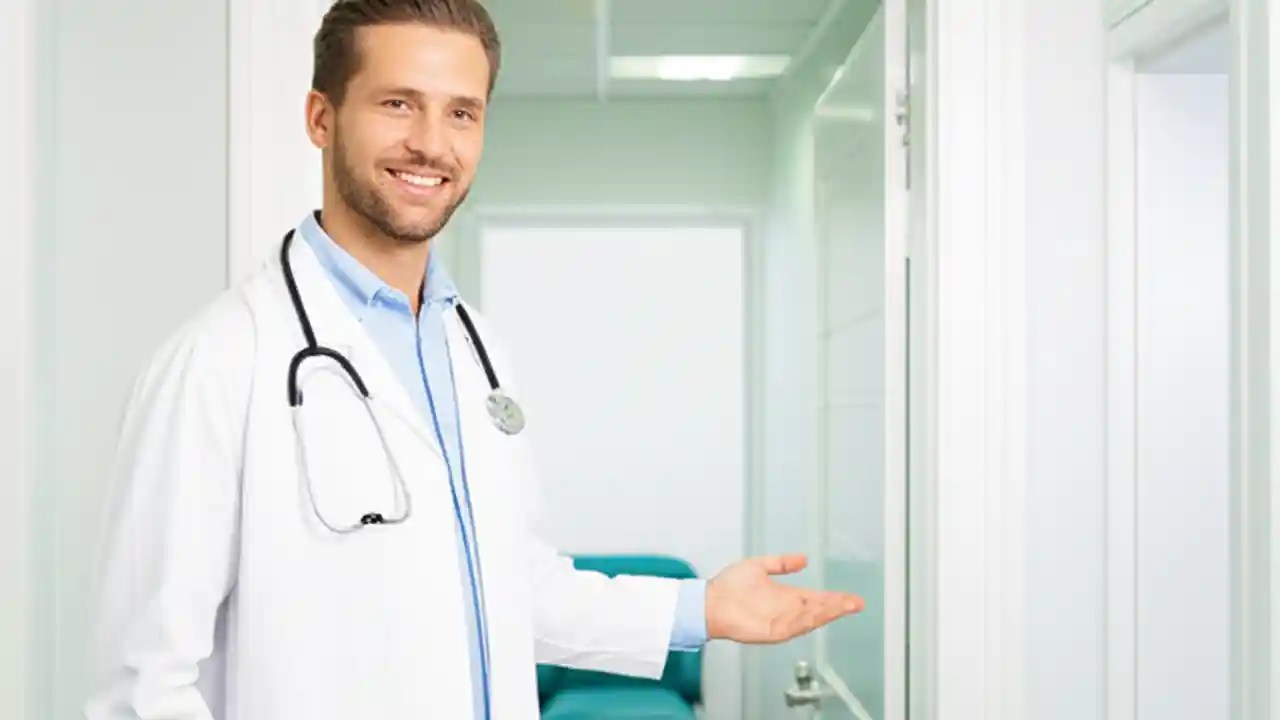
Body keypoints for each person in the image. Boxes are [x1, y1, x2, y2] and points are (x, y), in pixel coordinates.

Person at [82, 1, 865, 717]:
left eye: (462, 112)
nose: (431, 143)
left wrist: (703, 610)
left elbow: (516, 591)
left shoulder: (474, 347)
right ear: (321, 117)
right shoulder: (218, 362)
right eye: (398, 104)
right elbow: (141, 688)